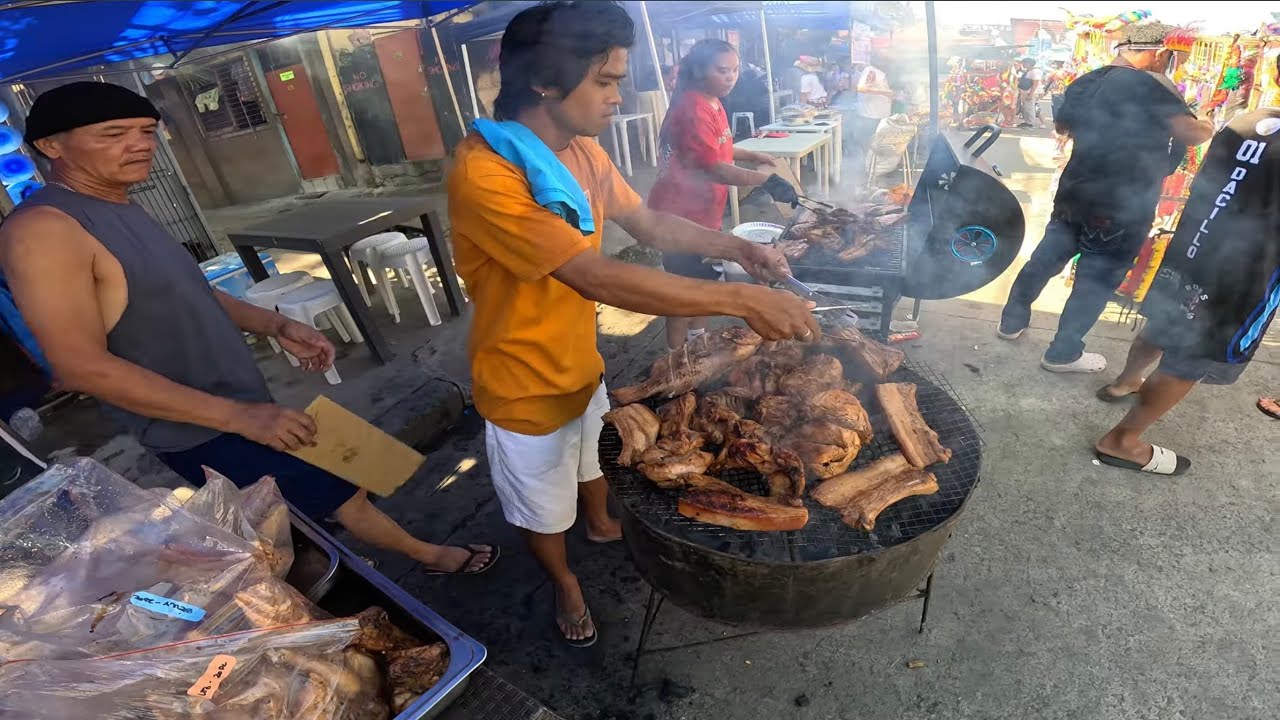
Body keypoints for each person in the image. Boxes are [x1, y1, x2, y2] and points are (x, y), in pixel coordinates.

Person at [0, 82, 499, 576]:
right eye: (114, 133)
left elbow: (191, 289)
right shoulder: (43, 230)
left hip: (240, 402)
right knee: (340, 495)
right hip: (197, 426)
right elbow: (80, 367)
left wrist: (275, 323)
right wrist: (239, 417)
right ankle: (428, 558)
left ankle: (325, 564)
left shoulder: (119, 201)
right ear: (50, 145)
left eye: (148, 131)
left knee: (315, 496)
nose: (141, 144)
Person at [446, 1, 818, 647]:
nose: (624, 96)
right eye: (606, 80)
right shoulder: (487, 174)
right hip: (521, 383)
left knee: (591, 457)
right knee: (541, 506)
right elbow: (592, 275)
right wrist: (740, 302)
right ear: (544, 81)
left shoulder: (580, 151)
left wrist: (738, 248)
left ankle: (600, 524)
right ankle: (564, 583)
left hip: (578, 361)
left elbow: (647, 223)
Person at [1092, 62, 1280, 475]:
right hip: (1244, 272)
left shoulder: (1247, 120)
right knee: (1193, 355)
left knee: (1168, 320)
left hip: (1194, 248)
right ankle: (1122, 441)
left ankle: (1125, 380)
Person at [996, 23, 1214, 373]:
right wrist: (1206, 121)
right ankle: (1063, 353)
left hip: (1075, 191)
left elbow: (1062, 127)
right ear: (1157, 52)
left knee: (1047, 257)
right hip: (1120, 202)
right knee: (1096, 277)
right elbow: (1191, 134)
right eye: (1166, 56)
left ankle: (1011, 321)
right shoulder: (1150, 85)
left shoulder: (1087, 81)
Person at [648, 39, 799, 349]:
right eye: (722, 70)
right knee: (681, 294)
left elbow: (721, 147)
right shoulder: (692, 107)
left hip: (704, 213)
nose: (731, 76)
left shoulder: (713, 101)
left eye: (735, 69)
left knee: (705, 283)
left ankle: (697, 343)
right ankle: (675, 360)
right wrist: (765, 181)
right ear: (700, 70)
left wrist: (752, 156)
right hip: (680, 216)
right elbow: (713, 167)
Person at [851, 58, 893, 177]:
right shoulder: (871, 70)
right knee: (869, 146)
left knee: (875, 146)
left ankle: (872, 171)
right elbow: (861, 88)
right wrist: (885, 93)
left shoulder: (880, 73)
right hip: (870, 115)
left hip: (878, 115)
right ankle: (866, 173)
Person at [1016, 57, 1043, 128]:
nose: (1023, 64)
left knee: (1029, 108)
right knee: (1025, 107)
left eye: (1025, 63)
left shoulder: (1035, 71)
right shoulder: (1028, 71)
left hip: (1031, 92)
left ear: (1030, 64)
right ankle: (1027, 121)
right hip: (1026, 92)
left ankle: (1030, 123)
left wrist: (1031, 94)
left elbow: (1035, 83)